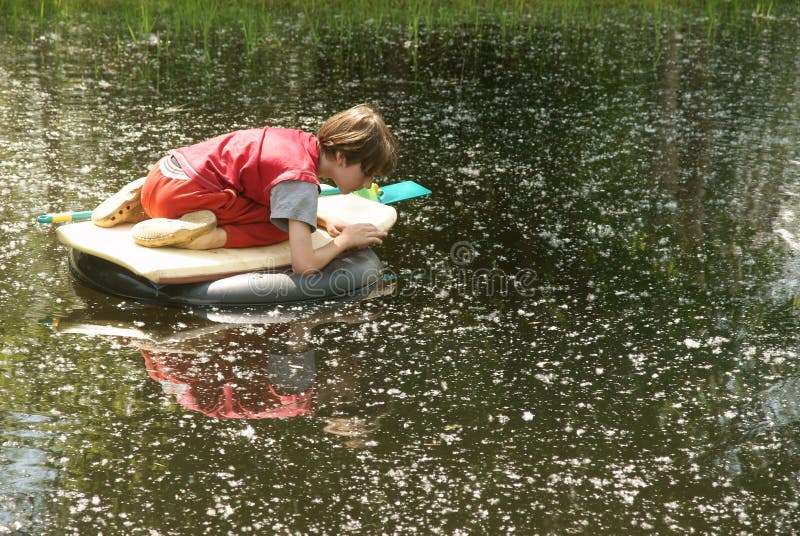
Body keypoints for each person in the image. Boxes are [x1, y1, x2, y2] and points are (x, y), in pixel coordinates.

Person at [91, 103, 398, 274]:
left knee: (280, 215)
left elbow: (270, 191)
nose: (368, 183)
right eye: (367, 173)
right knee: (278, 228)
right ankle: (202, 235)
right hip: (182, 196)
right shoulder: (300, 181)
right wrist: (344, 240)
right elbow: (304, 265)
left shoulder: (296, 142)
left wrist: (320, 220)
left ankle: (143, 200)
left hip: (165, 172)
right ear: (342, 157)